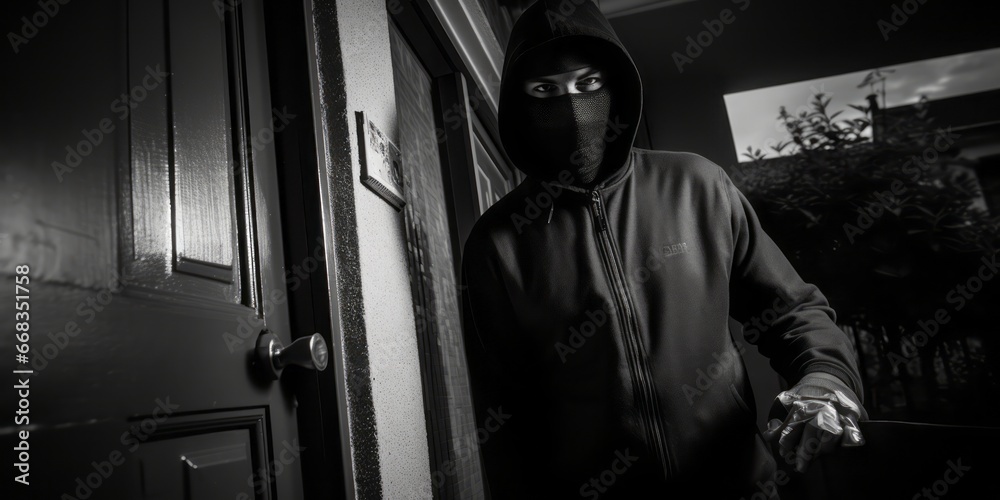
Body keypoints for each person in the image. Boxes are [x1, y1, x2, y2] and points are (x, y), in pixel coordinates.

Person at [460, 1, 867, 497]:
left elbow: (792, 311)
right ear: (520, 104)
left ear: (616, 87)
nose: (572, 107)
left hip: (739, 485)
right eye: (546, 91)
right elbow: (504, 409)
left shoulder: (698, 185)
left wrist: (824, 378)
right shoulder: (496, 242)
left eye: (589, 84)